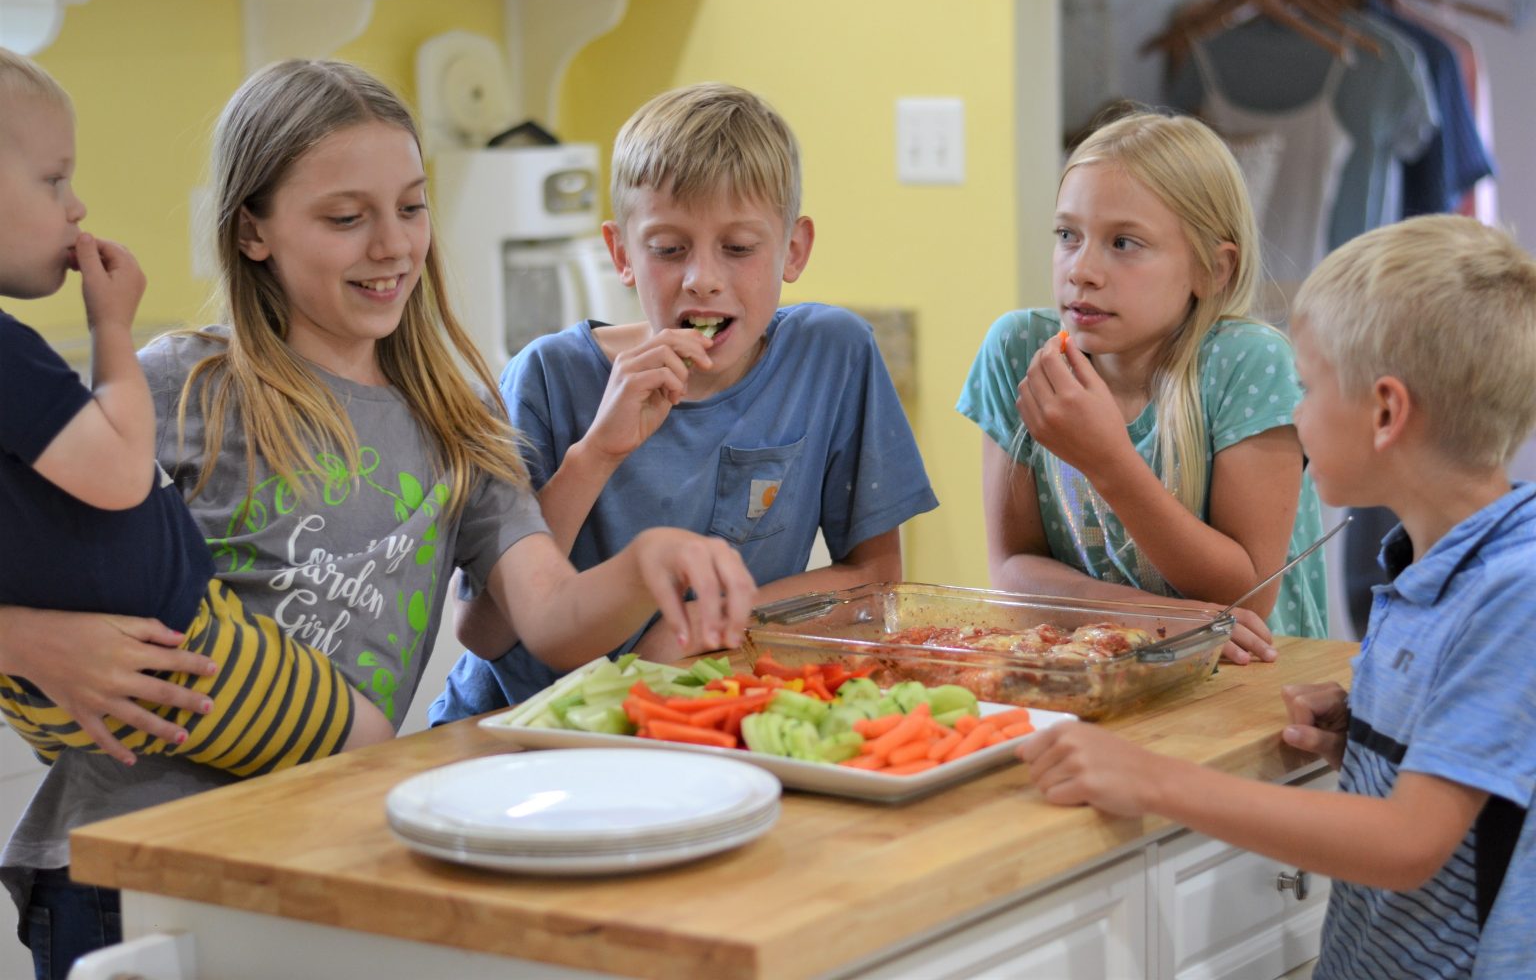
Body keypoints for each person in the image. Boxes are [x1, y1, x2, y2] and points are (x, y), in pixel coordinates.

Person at [0, 58, 757, 980]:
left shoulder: (458, 417)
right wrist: (26, 641)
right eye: (345, 218)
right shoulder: (177, 384)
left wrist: (645, 556)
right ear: (252, 231)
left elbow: (547, 621)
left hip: (331, 865)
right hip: (129, 872)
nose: (393, 246)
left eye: (411, 206)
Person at [1019, 215, 1536, 979]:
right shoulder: (1439, 567)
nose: (1294, 414)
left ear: (1387, 412)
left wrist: (1151, 778)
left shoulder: (1512, 591)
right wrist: (1367, 740)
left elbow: (1407, 845)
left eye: (1308, 386)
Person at [429, 82, 937, 720]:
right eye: (669, 249)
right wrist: (596, 454)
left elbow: (876, 580)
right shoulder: (547, 379)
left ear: (794, 249)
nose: (703, 277)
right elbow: (483, 631)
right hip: (514, 729)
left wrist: (701, 623)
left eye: (739, 248)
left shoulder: (832, 355)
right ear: (622, 255)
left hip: (698, 720)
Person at [0, 47, 397, 781]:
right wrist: (111, 328)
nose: (76, 205)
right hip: (177, 646)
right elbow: (120, 475)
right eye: (54, 179)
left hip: (46, 684)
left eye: (411, 205)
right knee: (374, 753)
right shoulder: (11, 352)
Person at [956, 110, 1327, 662]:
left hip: (1244, 679)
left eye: (1124, 243)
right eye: (1067, 235)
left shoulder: (1247, 364)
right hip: (1094, 668)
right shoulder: (1016, 351)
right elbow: (1012, 573)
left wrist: (1109, 462)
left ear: (1214, 270)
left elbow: (1247, 593)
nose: (1082, 270)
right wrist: (1149, 618)